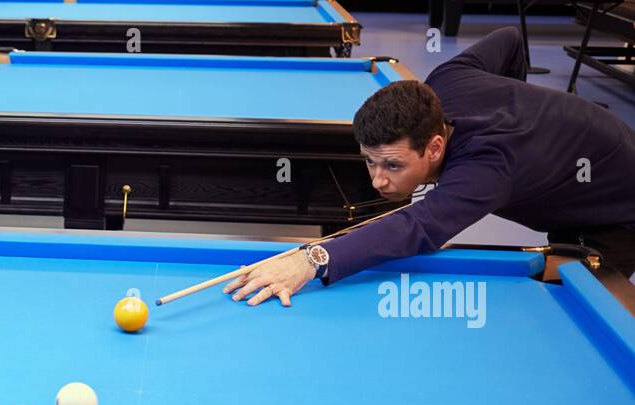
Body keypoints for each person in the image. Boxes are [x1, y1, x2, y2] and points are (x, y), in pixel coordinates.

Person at [225, 26, 635, 306]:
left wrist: (311, 260)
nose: (378, 180)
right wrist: (520, 99)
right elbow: (509, 39)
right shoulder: (448, 80)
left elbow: (417, 227)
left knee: (570, 304)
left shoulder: (485, 168)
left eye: (392, 165)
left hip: (621, 212)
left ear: (435, 147)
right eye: (369, 161)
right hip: (588, 167)